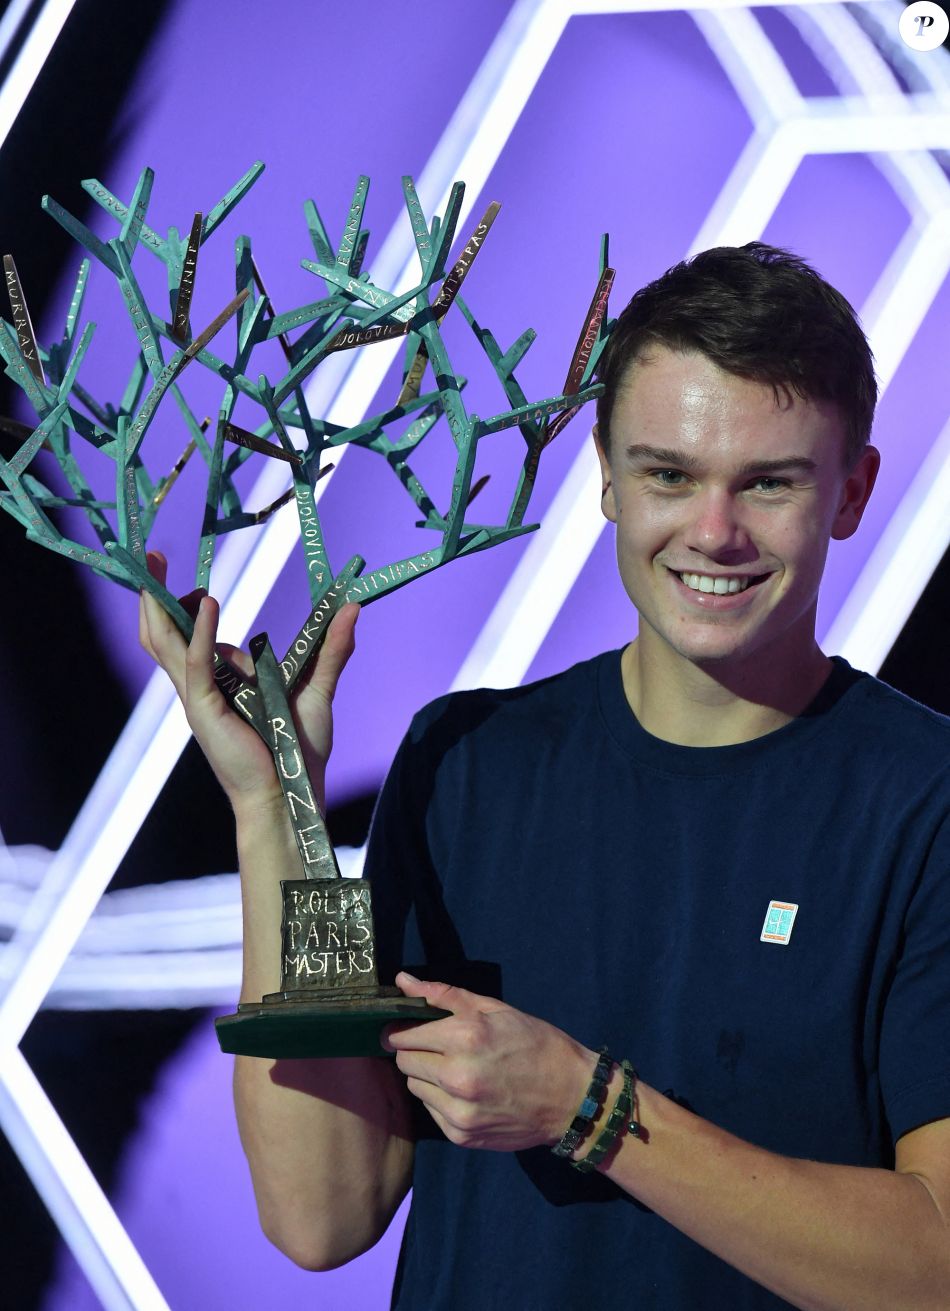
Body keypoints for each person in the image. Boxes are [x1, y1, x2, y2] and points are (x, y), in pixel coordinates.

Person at [141, 243, 950, 1310]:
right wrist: (274, 811)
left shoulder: (924, 801)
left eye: (766, 483)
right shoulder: (463, 763)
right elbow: (319, 1214)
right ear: (606, 481)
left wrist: (589, 1108)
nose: (712, 531)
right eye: (667, 473)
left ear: (850, 492)